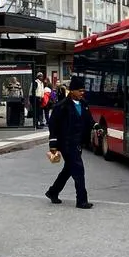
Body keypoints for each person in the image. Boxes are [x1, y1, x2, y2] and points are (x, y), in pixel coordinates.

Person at [44, 75, 94, 209]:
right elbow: (53, 126)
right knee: (78, 170)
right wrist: (53, 145)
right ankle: (81, 200)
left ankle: (53, 192)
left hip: (78, 143)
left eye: (83, 91)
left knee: (68, 169)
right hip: (66, 143)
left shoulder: (84, 104)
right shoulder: (61, 106)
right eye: (80, 91)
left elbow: (89, 120)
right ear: (72, 91)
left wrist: (96, 127)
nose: (82, 93)